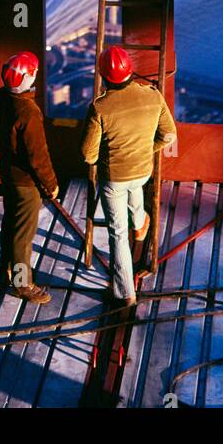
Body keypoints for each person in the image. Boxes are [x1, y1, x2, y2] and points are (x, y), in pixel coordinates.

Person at [80, 46, 177, 306]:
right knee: (135, 194)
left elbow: (88, 155)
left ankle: (125, 292)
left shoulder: (100, 107)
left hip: (113, 178)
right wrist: (146, 149)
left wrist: (107, 156)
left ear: (103, 76)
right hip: (143, 171)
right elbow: (169, 135)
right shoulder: (153, 96)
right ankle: (141, 225)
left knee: (118, 233)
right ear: (131, 71)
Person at [0, 51, 59, 305]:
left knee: (10, 222)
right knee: (23, 235)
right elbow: (37, 156)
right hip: (26, 183)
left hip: (8, 172)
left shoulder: (0, 98)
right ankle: (22, 283)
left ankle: (5, 268)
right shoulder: (28, 111)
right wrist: (51, 184)